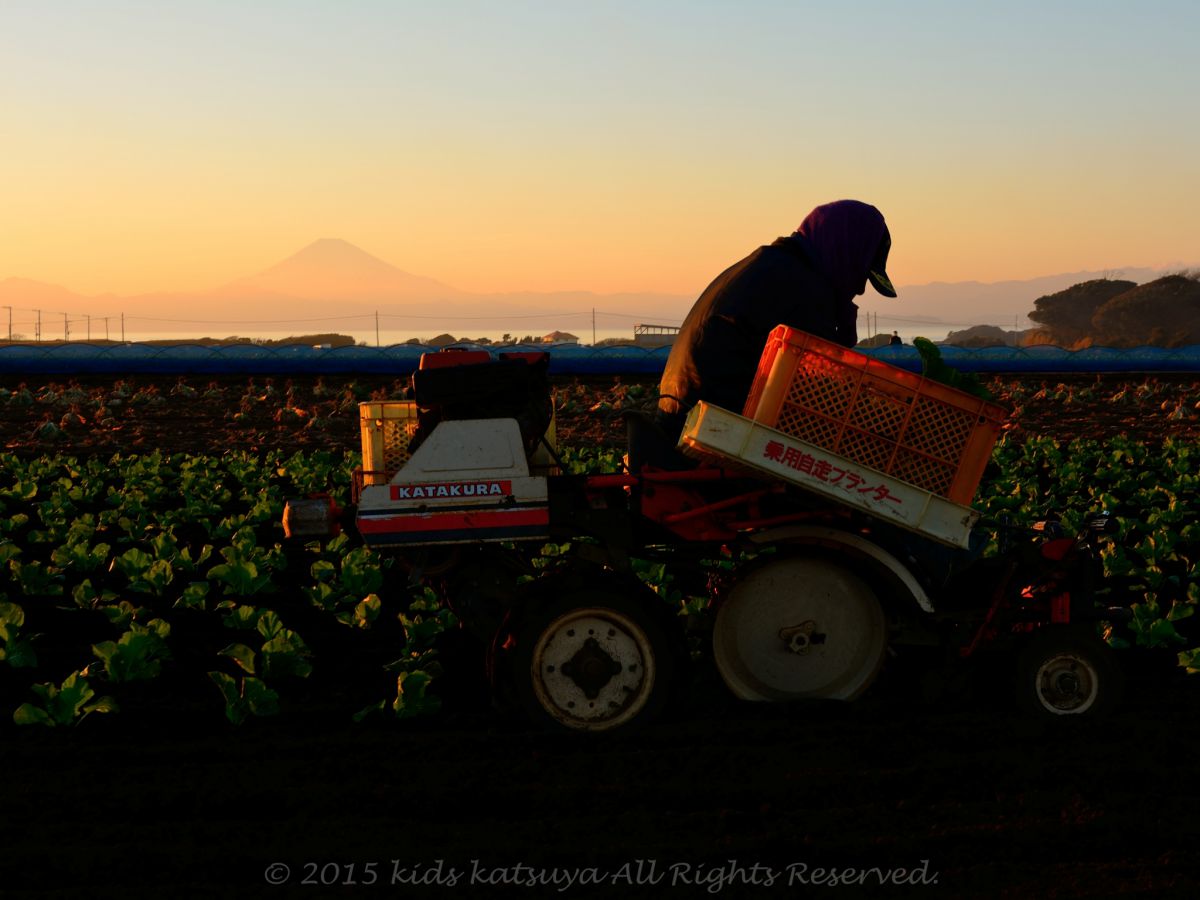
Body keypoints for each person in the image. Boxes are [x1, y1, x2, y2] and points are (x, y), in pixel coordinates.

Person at [657, 199, 896, 432]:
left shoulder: (772, 264)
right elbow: (820, 391)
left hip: (681, 417)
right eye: (861, 273)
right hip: (714, 428)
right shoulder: (803, 288)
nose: (860, 289)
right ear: (845, 252)